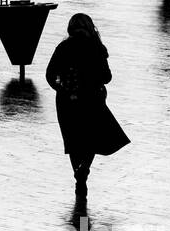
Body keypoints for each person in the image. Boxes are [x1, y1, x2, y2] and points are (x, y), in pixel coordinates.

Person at [45, 14, 130, 198]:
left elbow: (50, 74)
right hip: (92, 100)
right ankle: (84, 168)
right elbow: (107, 77)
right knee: (91, 138)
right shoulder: (96, 48)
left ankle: (78, 174)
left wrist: (61, 88)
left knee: (73, 140)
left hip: (67, 101)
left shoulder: (63, 47)